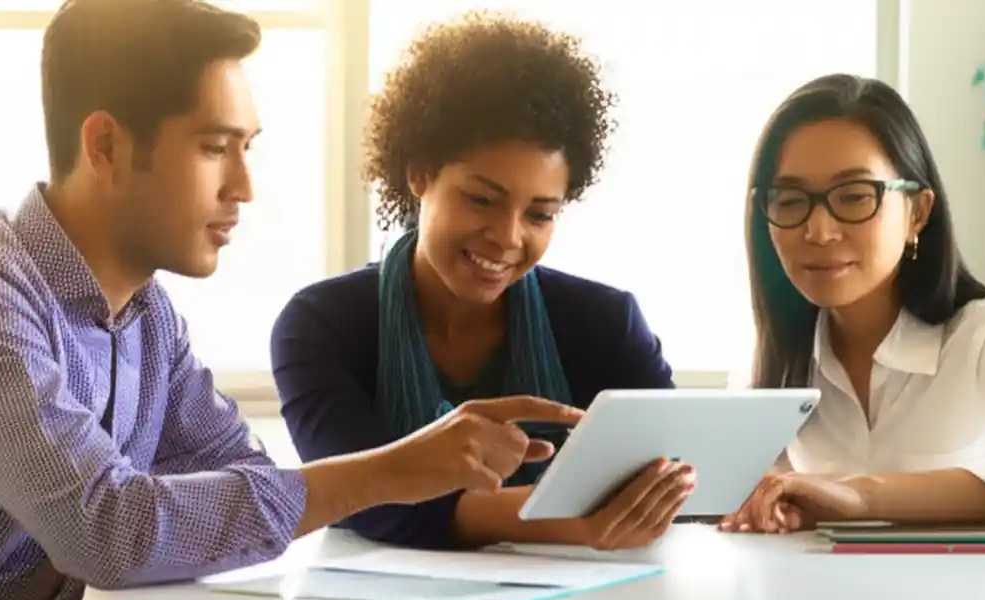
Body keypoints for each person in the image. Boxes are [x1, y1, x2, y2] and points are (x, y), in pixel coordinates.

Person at [0, 2, 584, 600]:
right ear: (107, 146)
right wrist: (395, 469)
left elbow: (242, 476)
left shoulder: (149, 321)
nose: (244, 186)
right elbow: (108, 530)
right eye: (216, 147)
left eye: (248, 147)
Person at [271, 12, 695, 553]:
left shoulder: (606, 322)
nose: (506, 237)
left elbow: (673, 474)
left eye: (540, 215)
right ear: (420, 172)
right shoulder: (321, 325)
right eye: (482, 200)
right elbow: (359, 498)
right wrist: (565, 522)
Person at [721, 74, 985, 535]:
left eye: (855, 196)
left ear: (917, 212)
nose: (818, 231)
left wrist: (861, 495)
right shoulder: (771, 367)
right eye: (790, 201)